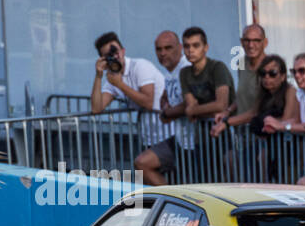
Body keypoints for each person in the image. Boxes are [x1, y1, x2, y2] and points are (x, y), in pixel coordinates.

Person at [90, 31, 166, 174]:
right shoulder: (112, 78)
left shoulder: (140, 66)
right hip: (148, 137)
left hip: (169, 134)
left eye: (115, 51)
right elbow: (96, 108)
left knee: (146, 168)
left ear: (123, 51)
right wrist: (99, 75)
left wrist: (120, 85)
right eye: (108, 55)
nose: (115, 57)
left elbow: (148, 102)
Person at [213, 54, 291, 181]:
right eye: (263, 73)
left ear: (283, 76)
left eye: (272, 73)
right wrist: (225, 121)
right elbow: (252, 113)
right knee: (233, 159)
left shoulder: (290, 91)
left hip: (287, 150)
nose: (267, 77)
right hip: (268, 146)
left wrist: (275, 124)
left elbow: (287, 119)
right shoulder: (264, 94)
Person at [134, 29, 192, 185]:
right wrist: (165, 101)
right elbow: (166, 101)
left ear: (180, 48)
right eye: (159, 49)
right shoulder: (168, 73)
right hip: (179, 137)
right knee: (141, 163)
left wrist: (168, 113)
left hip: (196, 139)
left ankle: (175, 197)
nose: (163, 53)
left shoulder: (186, 68)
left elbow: (191, 103)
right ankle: (171, 196)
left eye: (168, 48)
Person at [178, 26, 235, 174]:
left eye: (196, 45)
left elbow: (221, 105)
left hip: (225, 133)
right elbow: (190, 106)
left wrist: (194, 111)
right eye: (187, 46)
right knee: (206, 178)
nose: (190, 50)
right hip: (201, 136)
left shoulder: (217, 68)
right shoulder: (184, 73)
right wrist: (195, 110)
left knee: (229, 178)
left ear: (206, 47)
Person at [231, 24, 268, 120]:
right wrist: (227, 111)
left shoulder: (270, 67)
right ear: (242, 42)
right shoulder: (241, 63)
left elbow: (258, 110)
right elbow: (241, 96)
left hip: (261, 126)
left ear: (265, 43)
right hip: (241, 126)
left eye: (256, 40)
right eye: (247, 40)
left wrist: (228, 122)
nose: (251, 45)